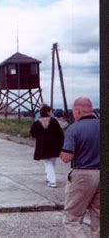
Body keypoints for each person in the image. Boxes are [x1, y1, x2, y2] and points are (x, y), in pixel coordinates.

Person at [60, 97, 99, 237]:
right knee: (99, 218)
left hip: (83, 174)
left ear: (77, 110)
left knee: (72, 219)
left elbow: (66, 157)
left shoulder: (74, 128)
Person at [29, 104, 64, 188]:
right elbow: (60, 134)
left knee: (48, 163)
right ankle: (50, 178)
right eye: (50, 111)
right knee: (51, 162)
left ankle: (52, 181)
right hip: (54, 145)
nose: (51, 112)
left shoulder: (37, 122)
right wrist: (61, 143)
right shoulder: (54, 121)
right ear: (47, 112)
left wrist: (39, 136)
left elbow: (32, 133)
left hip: (43, 145)